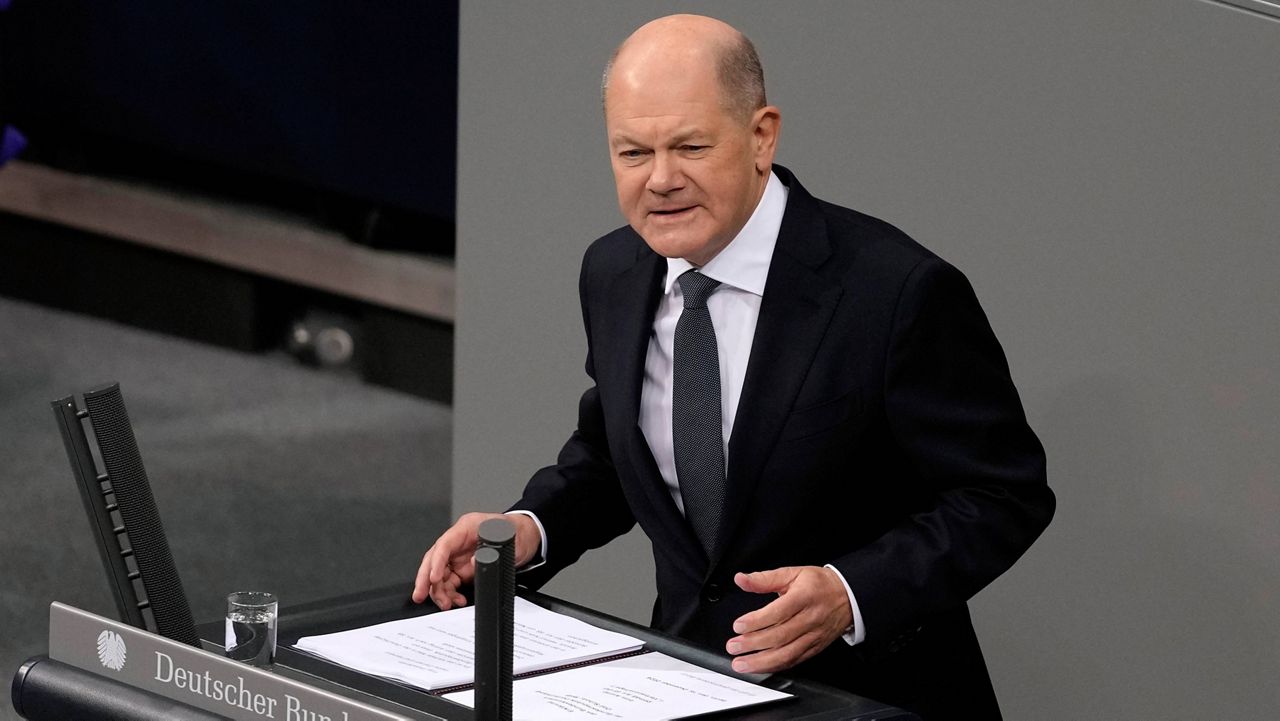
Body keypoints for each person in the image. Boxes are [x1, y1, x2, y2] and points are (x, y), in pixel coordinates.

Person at [413, 14, 1053, 719]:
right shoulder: (614, 271)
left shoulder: (894, 291)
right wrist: (529, 526)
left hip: (865, 695)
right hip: (686, 682)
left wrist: (850, 592)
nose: (660, 179)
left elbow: (1002, 494)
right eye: (632, 153)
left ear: (761, 136)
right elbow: (613, 454)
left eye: (690, 146)